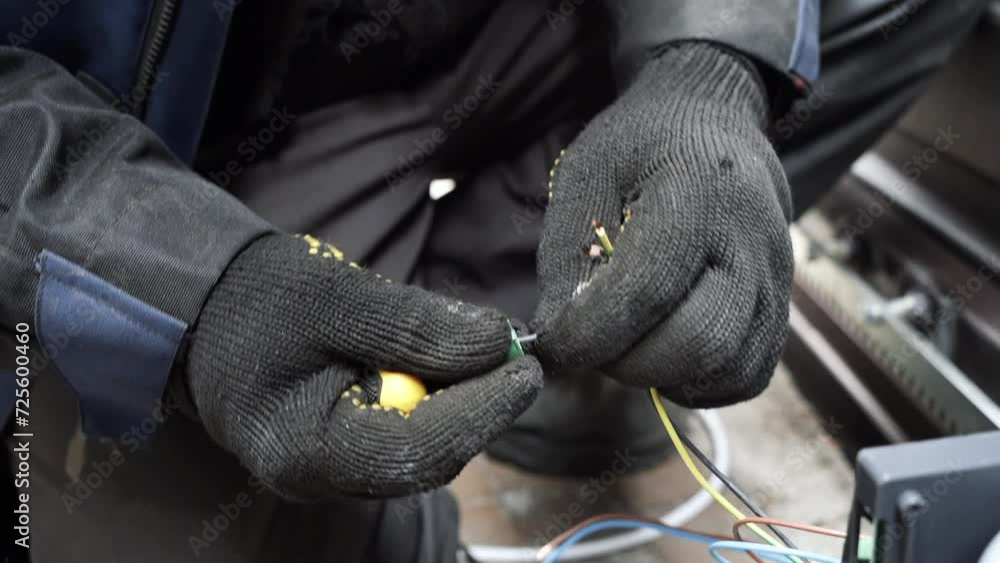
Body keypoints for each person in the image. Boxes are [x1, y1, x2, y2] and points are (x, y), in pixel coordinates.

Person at [0, 1, 986, 561]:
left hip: (511, 27)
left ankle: (569, 374)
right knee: (199, 516)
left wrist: (711, 63)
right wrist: (191, 282)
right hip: (174, 116)